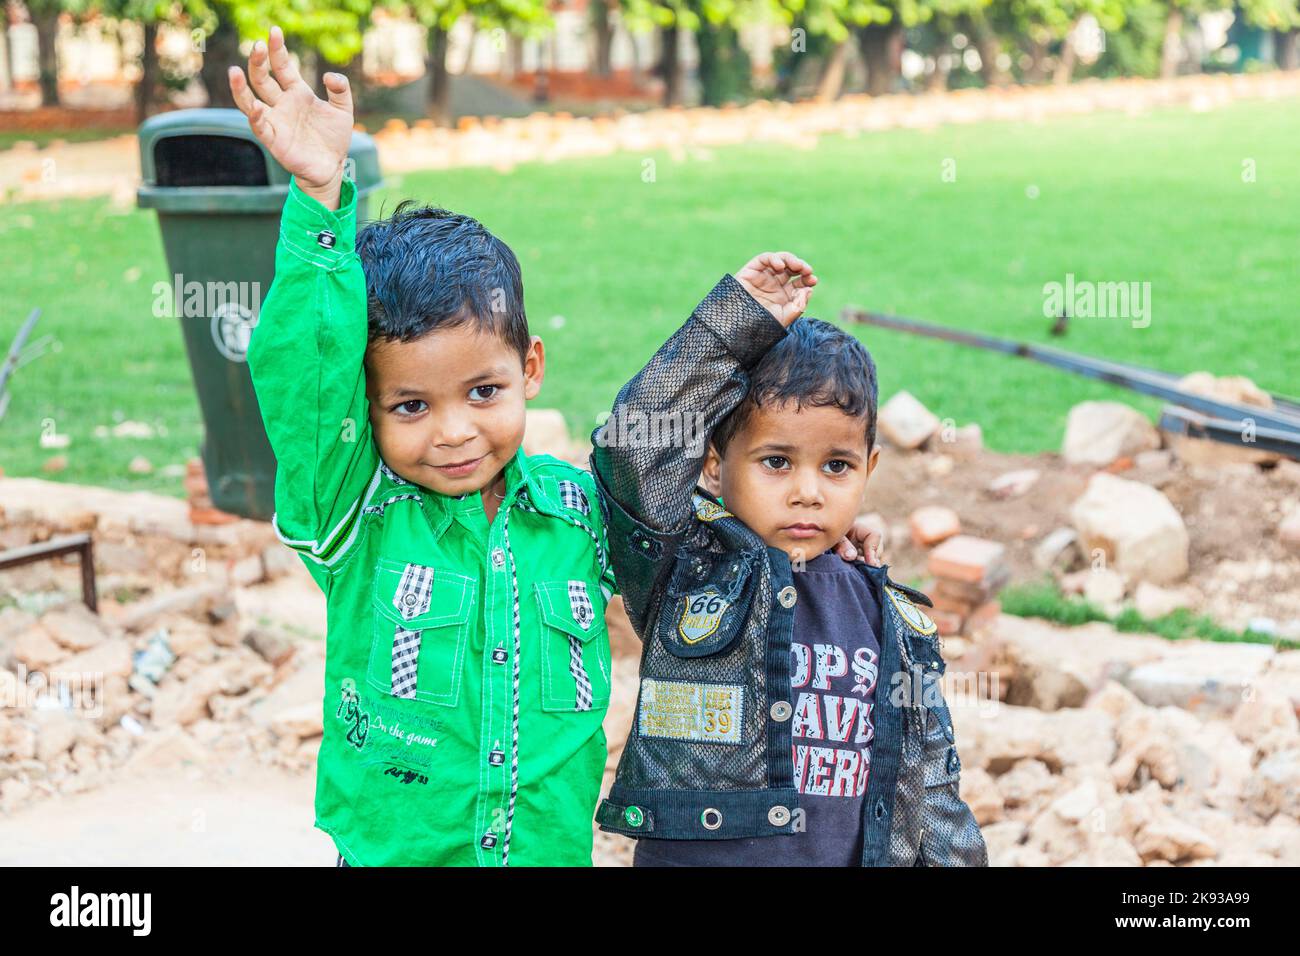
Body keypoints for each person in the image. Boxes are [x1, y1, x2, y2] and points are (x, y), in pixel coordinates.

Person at [229, 26, 616, 866]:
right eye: (408, 404)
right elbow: (307, 373)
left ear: (531, 368)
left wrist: (823, 546)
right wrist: (319, 199)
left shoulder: (581, 510)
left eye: (483, 392)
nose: (453, 431)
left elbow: (698, 545)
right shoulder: (355, 513)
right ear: (364, 412)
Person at [590, 253, 988, 865]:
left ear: (869, 470)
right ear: (715, 466)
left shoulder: (893, 619)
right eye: (776, 462)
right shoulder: (689, 571)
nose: (809, 491)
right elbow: (635, 448)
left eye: (837, 466)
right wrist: (731, 324)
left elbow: (929, 790)